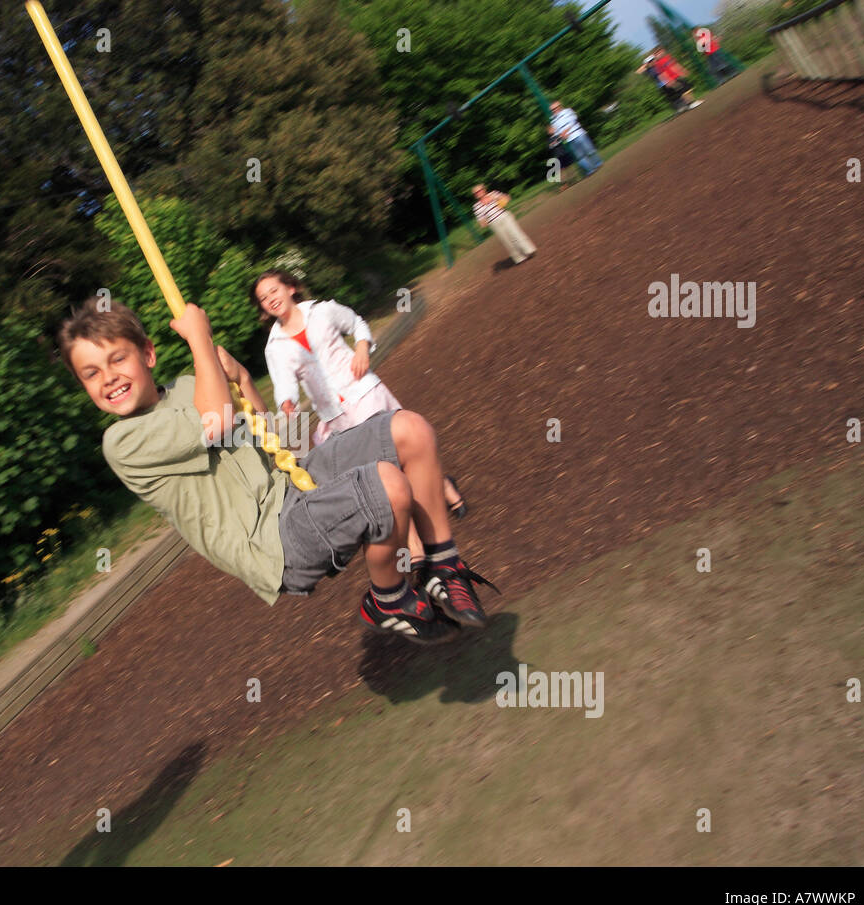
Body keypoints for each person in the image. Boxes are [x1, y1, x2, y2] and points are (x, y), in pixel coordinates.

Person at [58, 297, 499, 644]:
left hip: (293, 484)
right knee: (387, 487)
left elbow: (266, 435)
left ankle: (444, 566)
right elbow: (217, 423)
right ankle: (389, 600)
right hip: (273, 541)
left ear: (148, 354)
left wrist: (243, 379)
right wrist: (198, 339)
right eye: (91, 373)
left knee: (410, 430)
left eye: (118, 359)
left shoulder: (192, 386)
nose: (108, 377)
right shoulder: (122, 442)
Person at [251, 269, 468, 580]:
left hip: (364, 392)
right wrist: (286, 403)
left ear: (290, 288)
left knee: (404, 453)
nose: (270, 299)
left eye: (273, 290)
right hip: (334, 416)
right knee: (381, 472)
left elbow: (356, 324)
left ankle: (443, 486)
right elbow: (283, 384)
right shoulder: (274, 348)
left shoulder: (323, 311)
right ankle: (415, 548)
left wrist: (363, 348)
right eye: (263, 298)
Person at [471, 184, 536, 265]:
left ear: (484, 189)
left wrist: (500, 199)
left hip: (505, 216)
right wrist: (483, 222)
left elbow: (507, 197)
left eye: (479, 190)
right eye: (476, 193)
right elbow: (482, 221)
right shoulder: (476, 206)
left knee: (516, 233)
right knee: (507, 240)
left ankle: (529, 250)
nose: (478, 193)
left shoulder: (493, 194)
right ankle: (519, 258)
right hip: (494, 223)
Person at [548, 100, 602, 176]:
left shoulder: (568, 111)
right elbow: (555, 132)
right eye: (552, 109)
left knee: (589, 150)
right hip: (569, 140)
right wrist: (560, 134)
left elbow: (572, 121)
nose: (555, 110)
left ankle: (598, 163)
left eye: (556, 107)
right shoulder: (553, 120)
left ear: (560, 106)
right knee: (580, 157)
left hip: (578, 134)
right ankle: (590, 170)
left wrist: (565, 132)